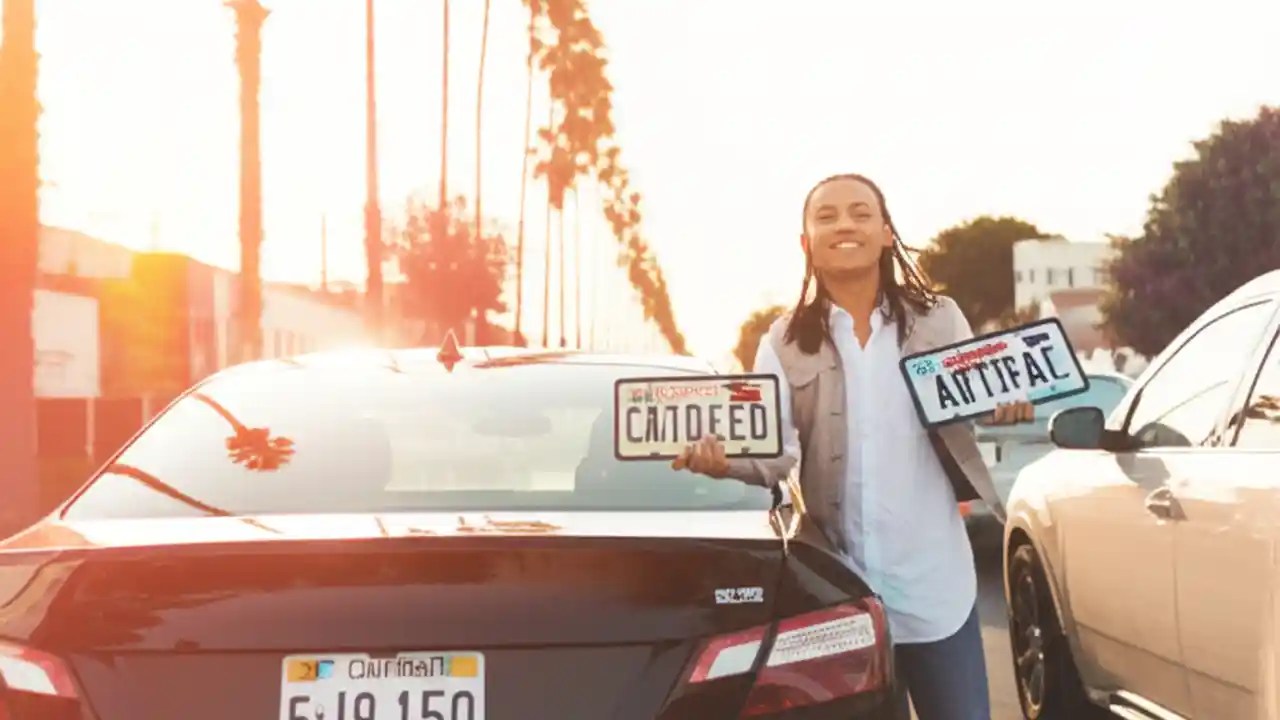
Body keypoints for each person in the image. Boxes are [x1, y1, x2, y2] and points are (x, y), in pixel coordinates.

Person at [672, 173, 1033, 720]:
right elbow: (777, 455)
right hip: (839, 597)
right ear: (805, 243)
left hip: (939, 589)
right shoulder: (783, 340)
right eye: (827, 216)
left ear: (886, 233)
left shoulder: (942, 318)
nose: (845, 225)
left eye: (861, 214)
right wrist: (722, 464)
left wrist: (1008, 403)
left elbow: (977, 399)